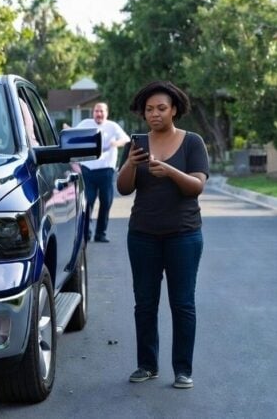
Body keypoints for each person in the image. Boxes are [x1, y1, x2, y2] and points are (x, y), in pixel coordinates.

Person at [116, 80, 209, 389]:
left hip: (183, 235)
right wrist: (130, 163)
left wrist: (169, 171)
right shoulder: (138, 144)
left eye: (161, 109)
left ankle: (183, 370)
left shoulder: (192, 142)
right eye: (149, 110)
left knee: (182, 303)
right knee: (144, 303)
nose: (154, 114)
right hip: (143, 234)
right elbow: (123, 188)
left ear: (174, 110)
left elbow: (196, 186)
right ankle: (147, 365)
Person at [77, 102, 130, 242]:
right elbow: (74, 135)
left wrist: (115, 143)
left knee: (106, 202)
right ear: (93, 112)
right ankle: (85, 232)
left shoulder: (112, 126)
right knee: (88, 201)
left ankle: (101, 233)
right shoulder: (86, 123)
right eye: (96, 111)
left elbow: (126, 139)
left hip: (106, 170)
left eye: (101, 111)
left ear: (106, 113)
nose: (99, 114)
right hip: (88, 169)